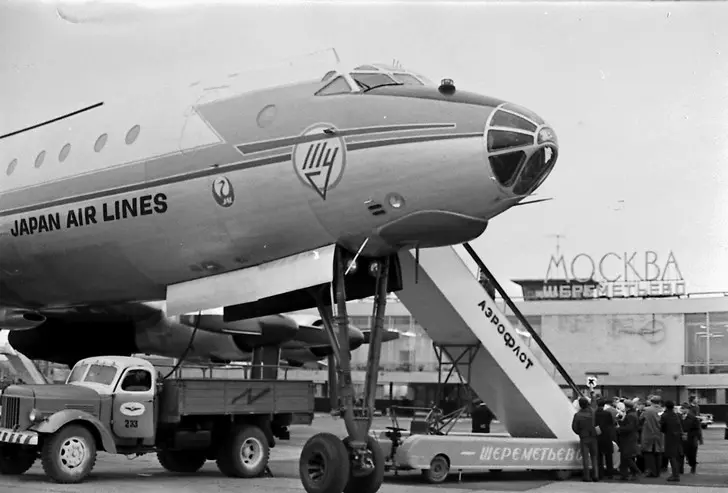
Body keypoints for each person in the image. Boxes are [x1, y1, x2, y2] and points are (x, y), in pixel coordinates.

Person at [572, 397, 600, 482]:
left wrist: (580, 433)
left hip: (584, 438)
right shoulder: (593, 412)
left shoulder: (577, 415)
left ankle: (586, 476)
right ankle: (595, 475)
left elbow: (574, 427)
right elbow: (597, 424)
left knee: (585, 458)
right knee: (594, 457)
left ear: (580, 405)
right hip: (593, 437)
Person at [640, 396, 664, 477]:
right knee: (658, 453)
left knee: (649, 454)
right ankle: (658, 471)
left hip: (648, 433)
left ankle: (651, 471)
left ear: (651, 401)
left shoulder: (646, 410)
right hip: (659, 434)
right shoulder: (662, 410)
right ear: (659, 402)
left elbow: (641, 419)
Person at [617, 401, 642, 480]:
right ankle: (626, 474)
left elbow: (629, 427)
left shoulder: (630, 416)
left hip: (628, 438)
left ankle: (636, 471)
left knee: (626, 456)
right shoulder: (633, 414)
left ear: (627, 407)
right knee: (628, 457)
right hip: (631, 437)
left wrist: (619, 428)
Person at [660, 400, 683, 482]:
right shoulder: (676, 415)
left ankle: (675, 475)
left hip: (669, 437)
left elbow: (662, 427)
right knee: (675, 456)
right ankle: (675, 473)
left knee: (671, 457)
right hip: (677, 437)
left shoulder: (665, 415)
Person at [595, 398, 617, 478]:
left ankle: (600, 474)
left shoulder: (594, 413)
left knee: (599, 456)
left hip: (598, 436)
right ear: (604, 405)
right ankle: (610, 473)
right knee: (608, 456)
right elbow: (611, 424)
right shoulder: (607, 413)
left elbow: (594, 424)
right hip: (607, 436)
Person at [680, 402, 702, 474]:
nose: (682, 410)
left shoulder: (693, 418)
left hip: (691, 439)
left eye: (684, 408)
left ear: (688, 409)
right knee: (680, 454)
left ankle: (693, 465)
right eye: (682, 408)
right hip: (681, 438)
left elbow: (697, 429)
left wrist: (698, 438)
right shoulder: (679, 417)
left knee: (691, 455)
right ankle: (680, 469)